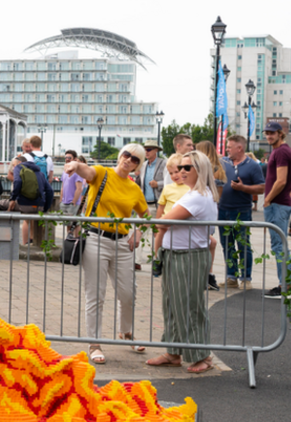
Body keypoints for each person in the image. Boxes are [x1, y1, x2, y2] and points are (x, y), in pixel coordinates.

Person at [64, 144, 149, 364]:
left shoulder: (134, 188)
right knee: (96, 294)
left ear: (138, 166)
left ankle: (126, 332)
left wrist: (138, 232)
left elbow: (146, 214)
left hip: (122, 243)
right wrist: (74, 164)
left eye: (135, 159)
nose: (128, 160)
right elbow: (88, 172)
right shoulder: (103, 173)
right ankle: (94, 342)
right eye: (126, 155)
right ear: (120, 156)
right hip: (95, 239)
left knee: (128, 292)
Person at [146, 150, 219, 374]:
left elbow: (163, 221)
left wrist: (163, 222)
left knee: (189, 307)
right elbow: (163, 222)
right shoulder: (192, 194)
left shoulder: (198, 196)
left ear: (201, 169)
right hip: (177, 253)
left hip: (188, 255)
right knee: (172, 305)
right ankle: (173, 352)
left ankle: (202, 356)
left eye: (188, 167)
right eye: (181, 167)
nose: (182, 171)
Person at [219, 136, 264, 290]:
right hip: (223, 209)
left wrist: (244, 188)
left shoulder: (253, 166)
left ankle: (246, 278)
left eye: (230, 147)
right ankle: (231, 277)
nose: (227, 149)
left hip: (241, 210)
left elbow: (262, 187)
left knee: (243, 244)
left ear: (240, 148)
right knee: (227, 244)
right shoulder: (223, 163)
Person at [261, 122, 291, 299]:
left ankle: (286, 286)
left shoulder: (281, 151)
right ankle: (287, 283)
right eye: (266, 133)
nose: (269, 136)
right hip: (279, 204)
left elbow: (281, 181)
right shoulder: (278, 151)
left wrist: (267, 200)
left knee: (279, 245)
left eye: (272, 133)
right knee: (280, 245)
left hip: (278, 204)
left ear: (280, 134)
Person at [195, 141, 226, 291]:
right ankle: (208, 275)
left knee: (205, 243)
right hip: (212, 209)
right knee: (208, 243)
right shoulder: (218, 166)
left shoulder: (211, 168)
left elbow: (214, 191)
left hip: (206, 209)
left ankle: (206, 275)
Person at [9, 154, 54, 246]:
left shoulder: (19, 168)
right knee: (34, 220)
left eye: (14, 165)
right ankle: (36, 243)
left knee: (1, 204)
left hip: (24, 205)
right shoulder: (40, 173)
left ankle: (10, 242)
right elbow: (50, 191)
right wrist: (45, 208)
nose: (14, 168)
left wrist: (12, 199)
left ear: (19, 163)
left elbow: (17, 182)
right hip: (39, 207)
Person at [136, 140, 167, 211]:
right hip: (144, 205)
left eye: (148, 149)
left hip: (159, 205)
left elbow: (171, 182)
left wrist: (158, 184)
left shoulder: (164, 163)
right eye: (144, 150)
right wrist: (137, 175)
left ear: (156, 150)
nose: (146, 152)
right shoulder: (142, 165)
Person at [59, 150, 85, 215]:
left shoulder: (77, 172)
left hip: (72, 204)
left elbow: (79, 189)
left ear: (75, 159)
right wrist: (61, 200)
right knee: (67, 224)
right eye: (66, 157)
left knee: (72, 224)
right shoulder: (64, 171)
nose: (67, 159)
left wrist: (73, 202)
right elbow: (63, 187)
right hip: (64, 203)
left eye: (69, 158)